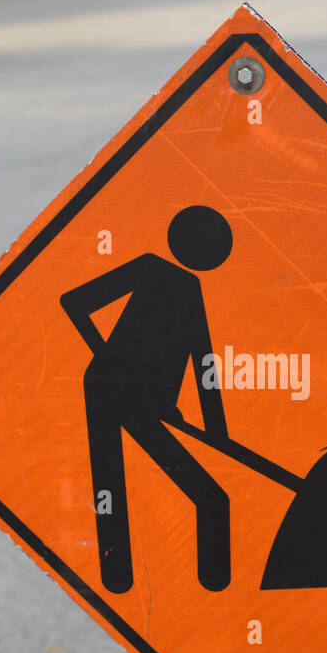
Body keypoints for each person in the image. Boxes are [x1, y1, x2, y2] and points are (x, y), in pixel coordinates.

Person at [60, 205, 233, 594]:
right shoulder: (150, 268)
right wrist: (109, 359)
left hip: (143, 399)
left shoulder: (189, 289)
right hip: (110, 389)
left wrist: (217, 432)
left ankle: (213, 590)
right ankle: (118, 579)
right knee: (110, 485)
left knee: (212, 500)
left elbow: (202, 361)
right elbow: (76, 301)